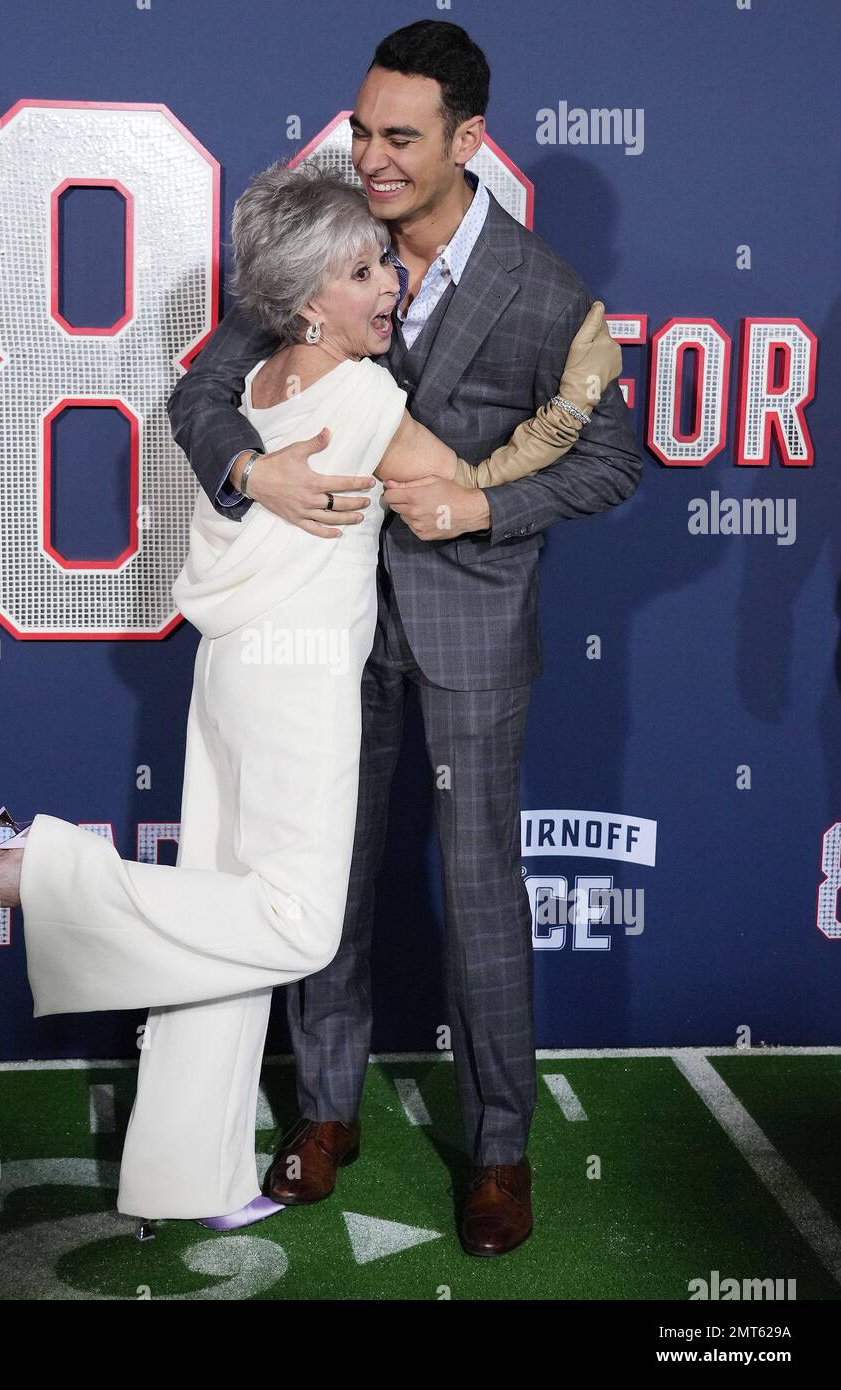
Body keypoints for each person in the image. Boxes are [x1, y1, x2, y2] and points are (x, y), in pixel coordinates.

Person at [0, 157, 622, 1239]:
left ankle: (180, 1174)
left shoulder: (268, 381)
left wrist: (255, 467)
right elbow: (454, 487)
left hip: (229, 675)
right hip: (299, 688)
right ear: (304, 300)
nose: (384, 280)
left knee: (223, 925)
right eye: (358, 269)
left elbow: (216, 408)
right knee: (295, 930)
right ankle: (32, 870)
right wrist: (573, 396)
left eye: (381, 259)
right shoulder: (367, 394)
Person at [165, 20, 642, 1256]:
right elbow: (201, 394)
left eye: (397, 137)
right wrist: (248, 474)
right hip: (316, 629)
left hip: (470, 624)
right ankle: (323, 1108)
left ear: (465, 141)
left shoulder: (540, 289)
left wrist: (487, 503)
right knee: (321, 872)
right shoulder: (327, 243)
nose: (368, 156)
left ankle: (497, 1147)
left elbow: (611, 456)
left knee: (480, 890)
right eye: (361, 129)